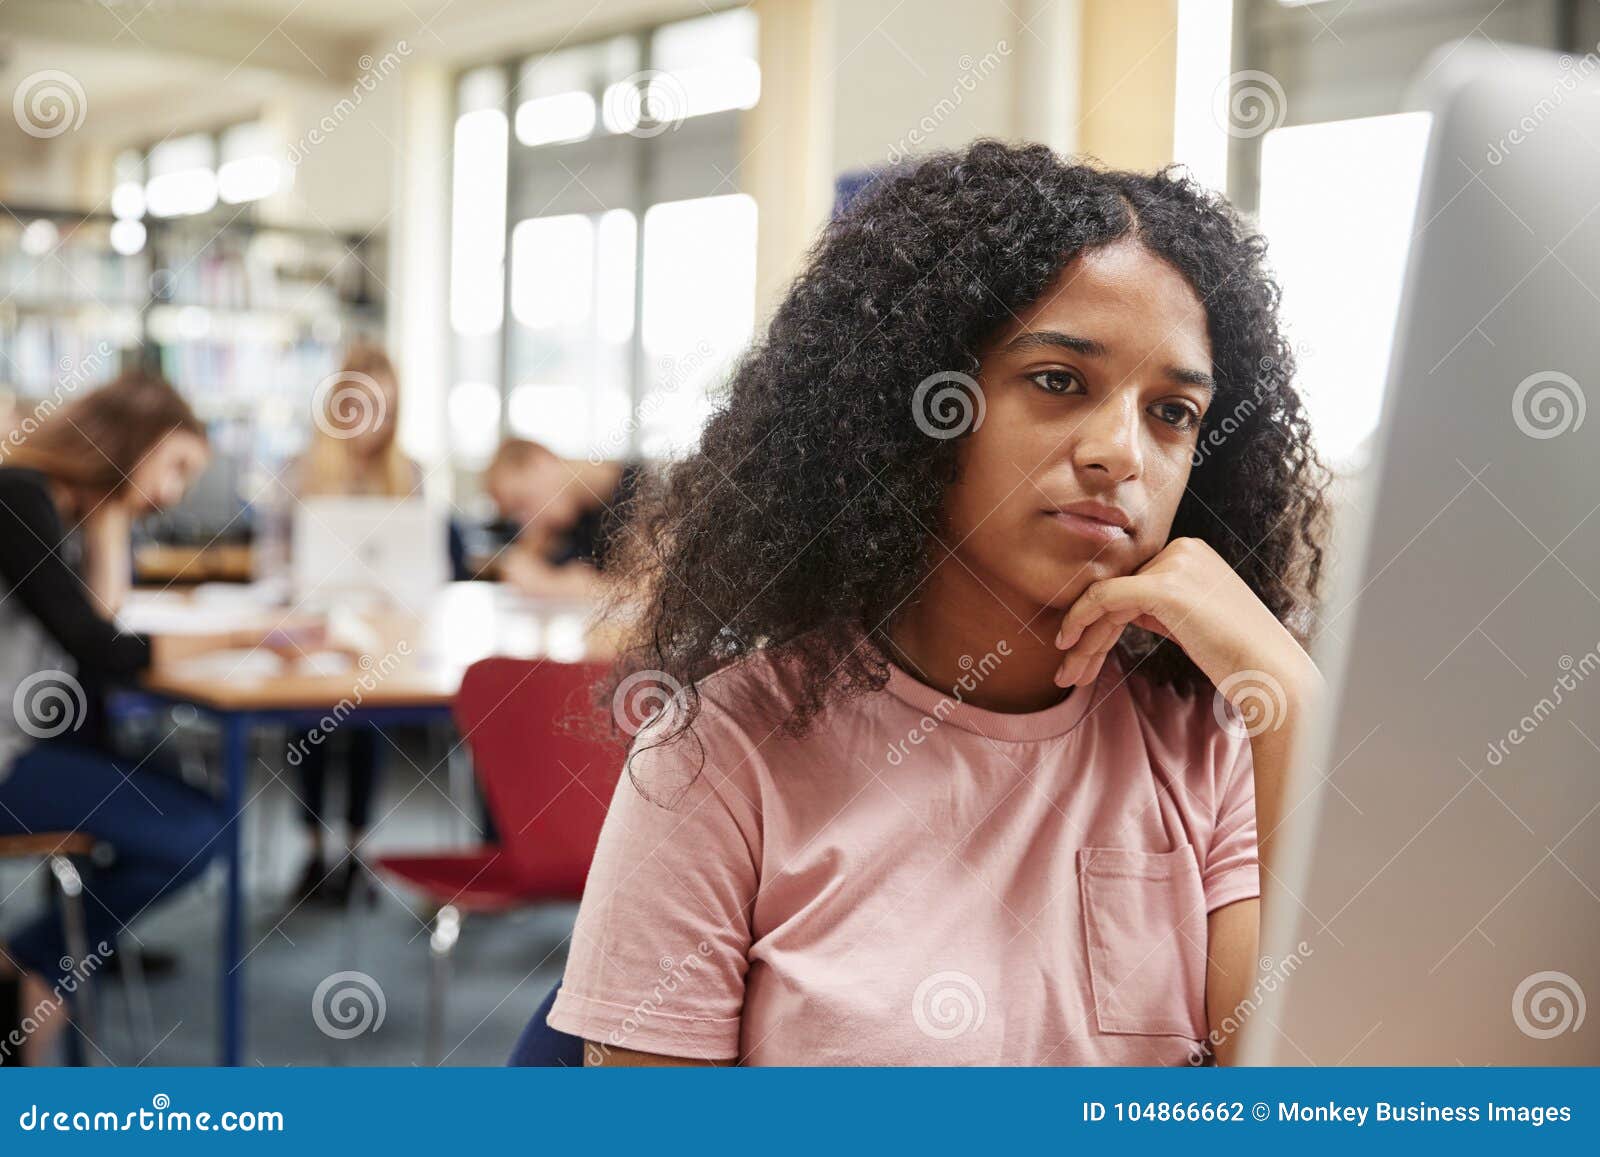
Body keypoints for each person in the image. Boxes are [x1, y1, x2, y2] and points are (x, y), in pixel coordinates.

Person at [546, 142, 1331, 1066]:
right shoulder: (719, 753)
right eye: (1058, 381)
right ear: (917, 406)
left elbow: (1307, 1080)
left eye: (1172, 413)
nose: (1121, 451)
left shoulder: (1212, 743)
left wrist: (1291, 693)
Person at [0, 368, 282, 1065]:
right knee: (194, 829)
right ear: (135, 440)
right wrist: (249, 635)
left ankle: (33, 967)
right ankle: (32, 964)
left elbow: (99, 621)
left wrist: (112, 509)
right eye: (176, 465)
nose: (177, 491)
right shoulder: (15, 495)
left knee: (194, 810)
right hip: (7, 759)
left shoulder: (57, 503)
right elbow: (106, 646)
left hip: (28, 744)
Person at [286, 342, 419, 907]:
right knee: (309, 717)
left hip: (382, 628)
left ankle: (357, 849)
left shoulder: (408, 474)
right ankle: (314, 848)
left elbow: (422, 560)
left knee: (370, 719)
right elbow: (276, 561)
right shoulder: (302, 472)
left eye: (386, 410)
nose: (374, 425)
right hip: (314, 626)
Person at [482, 439, 637, 599]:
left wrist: (547, 584)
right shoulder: (569, 521)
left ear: (540, 462)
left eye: (522, 502)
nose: (526, 523)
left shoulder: (644, 497)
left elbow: (645, 596)